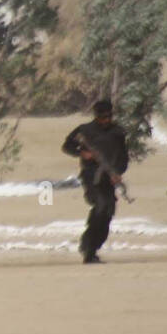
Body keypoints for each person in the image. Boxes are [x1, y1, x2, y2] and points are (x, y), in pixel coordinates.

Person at [62, 101, 129, 264]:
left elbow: (123, 156)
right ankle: (89, 250)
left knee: (108, 212)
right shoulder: (85, 130)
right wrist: (82, 153)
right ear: (96, 116)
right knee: (100, 206)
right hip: (91, 175)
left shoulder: (118, 132)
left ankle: (91, 244)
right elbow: (67, 146)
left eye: (109, 116)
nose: (106, 120)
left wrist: (118, 173)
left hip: (108, 176)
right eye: (102, 117)